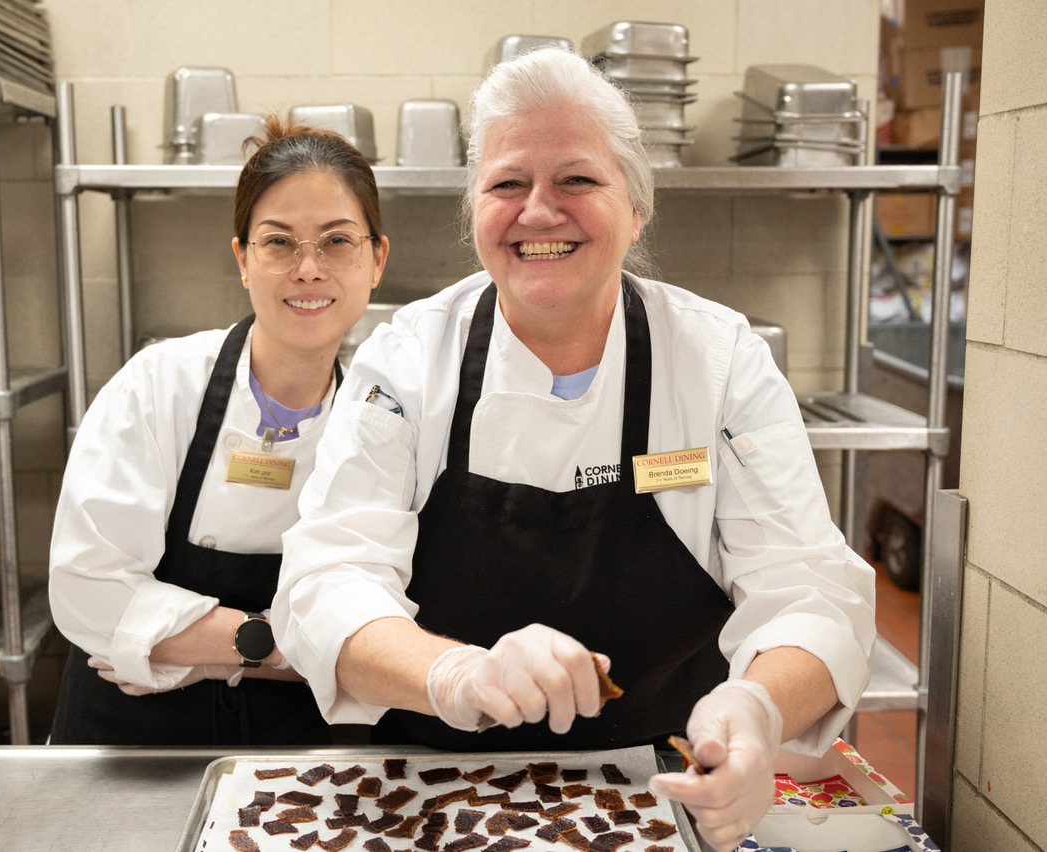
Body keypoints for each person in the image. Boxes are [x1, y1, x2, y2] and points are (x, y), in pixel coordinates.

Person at [272, 47, 875, 851]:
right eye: (507, 184)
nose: (538, 211)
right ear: (474, 212)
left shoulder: (719, 361)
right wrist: (457, 675)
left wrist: (758, 711)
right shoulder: (408, 360)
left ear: (637, 208)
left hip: (663, 790)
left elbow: (809, 590)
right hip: (430, 792)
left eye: (577, 181)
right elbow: (326, 581)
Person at [47, 118, 389, 746]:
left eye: (337, 241)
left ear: (375, 260)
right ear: (242, 259)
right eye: (278, 243)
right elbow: (88, 593)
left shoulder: (382, 419)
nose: (308, 269)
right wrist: (273, 643)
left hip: (298, 754)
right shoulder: (158, 386)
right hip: (128, 743)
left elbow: (384, 629)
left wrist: (197, 651)